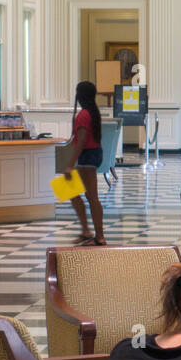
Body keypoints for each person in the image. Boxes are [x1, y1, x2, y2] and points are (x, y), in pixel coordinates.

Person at [63, 81, 105, 246]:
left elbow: (80, 142)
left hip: (87, 156)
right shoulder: (93, 112)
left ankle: (99, 236)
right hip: (93, 154)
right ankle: (86, 231)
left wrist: (69, 164)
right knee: (71, 191)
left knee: (92, 197)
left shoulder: (83, 115)